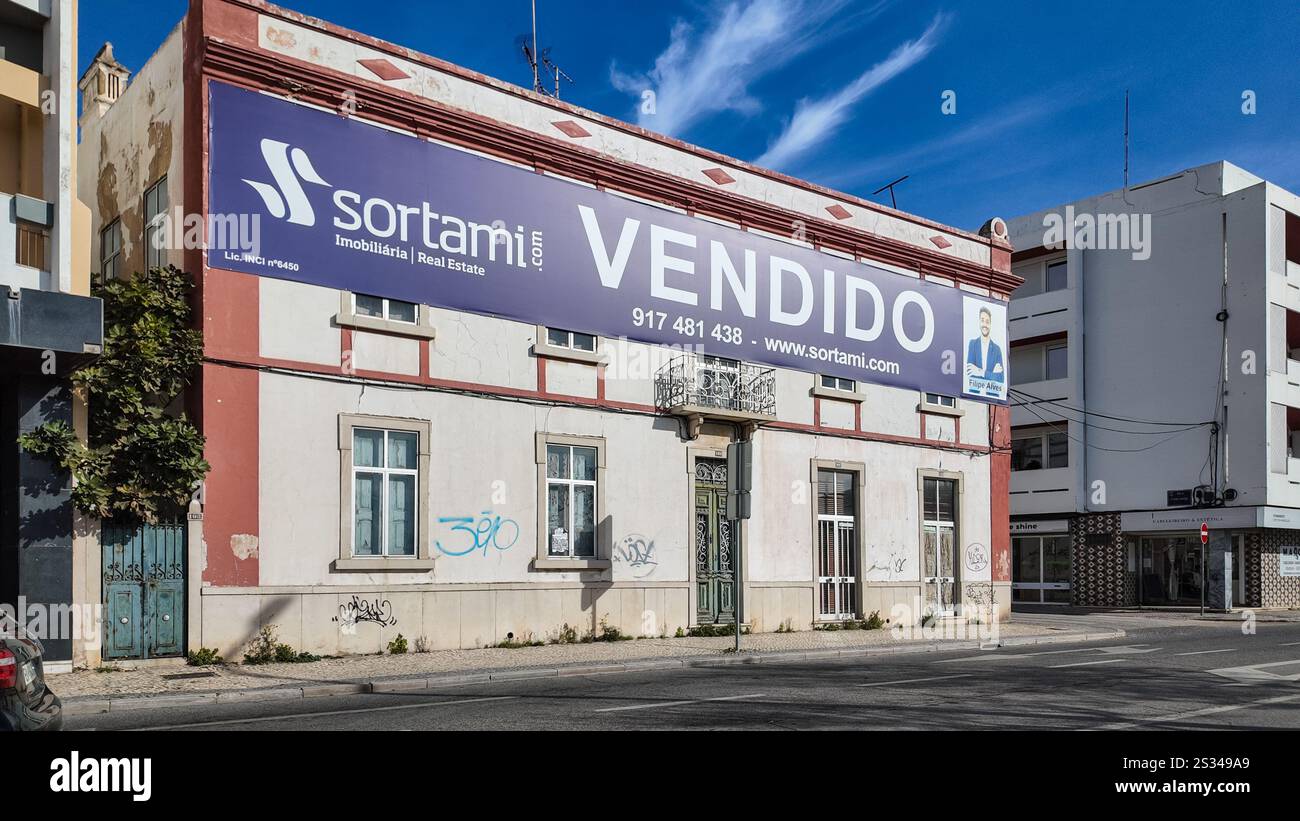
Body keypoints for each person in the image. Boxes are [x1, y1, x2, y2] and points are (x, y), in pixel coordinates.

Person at [965, 306, 1004, 389]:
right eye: (982, 321)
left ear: (990, 324)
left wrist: (981, 372)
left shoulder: (997, 349)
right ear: (979, 322)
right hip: (975, 394)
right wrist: (992, 375)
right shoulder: (973, 344)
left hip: (992, 395)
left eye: (987, 322)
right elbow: (970, 373)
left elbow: (1000, 379)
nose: (985, 325)